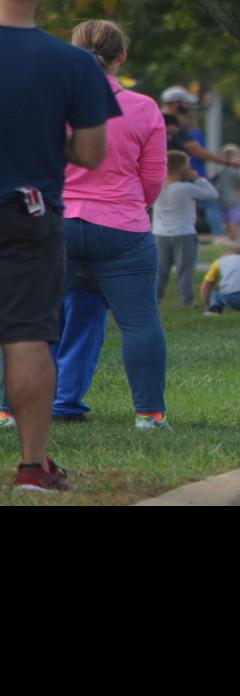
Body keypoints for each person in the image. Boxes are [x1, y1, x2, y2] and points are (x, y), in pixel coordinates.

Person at [0, 0, 119, 490]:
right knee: (27, 335)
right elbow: (92, 154)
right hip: (26, 210)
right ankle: (33, 466)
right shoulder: (73, 63)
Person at [153, 149, 217, 308]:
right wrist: (198, 179)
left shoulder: (156, 187)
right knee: (185, 270)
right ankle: (187, 301)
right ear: (182, 169)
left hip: (160, 233)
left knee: (160, 271)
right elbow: (212, 194)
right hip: (184, 233)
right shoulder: (186, 188)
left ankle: (155, 300)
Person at [159, 87, 240, 171]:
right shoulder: (174, 126)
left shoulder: (157, 119)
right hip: (174, 174)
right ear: (176, 104)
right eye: (186, 103)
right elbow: (198, 151)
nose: (188, 107)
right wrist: (228, 162)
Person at [213, 144, 240, 243]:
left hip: (225, 198)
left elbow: (215, 182)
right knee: (234, 220)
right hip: (234, 198)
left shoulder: (222, 170)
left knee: (230, 221)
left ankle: (233, 238)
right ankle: (234, 238)